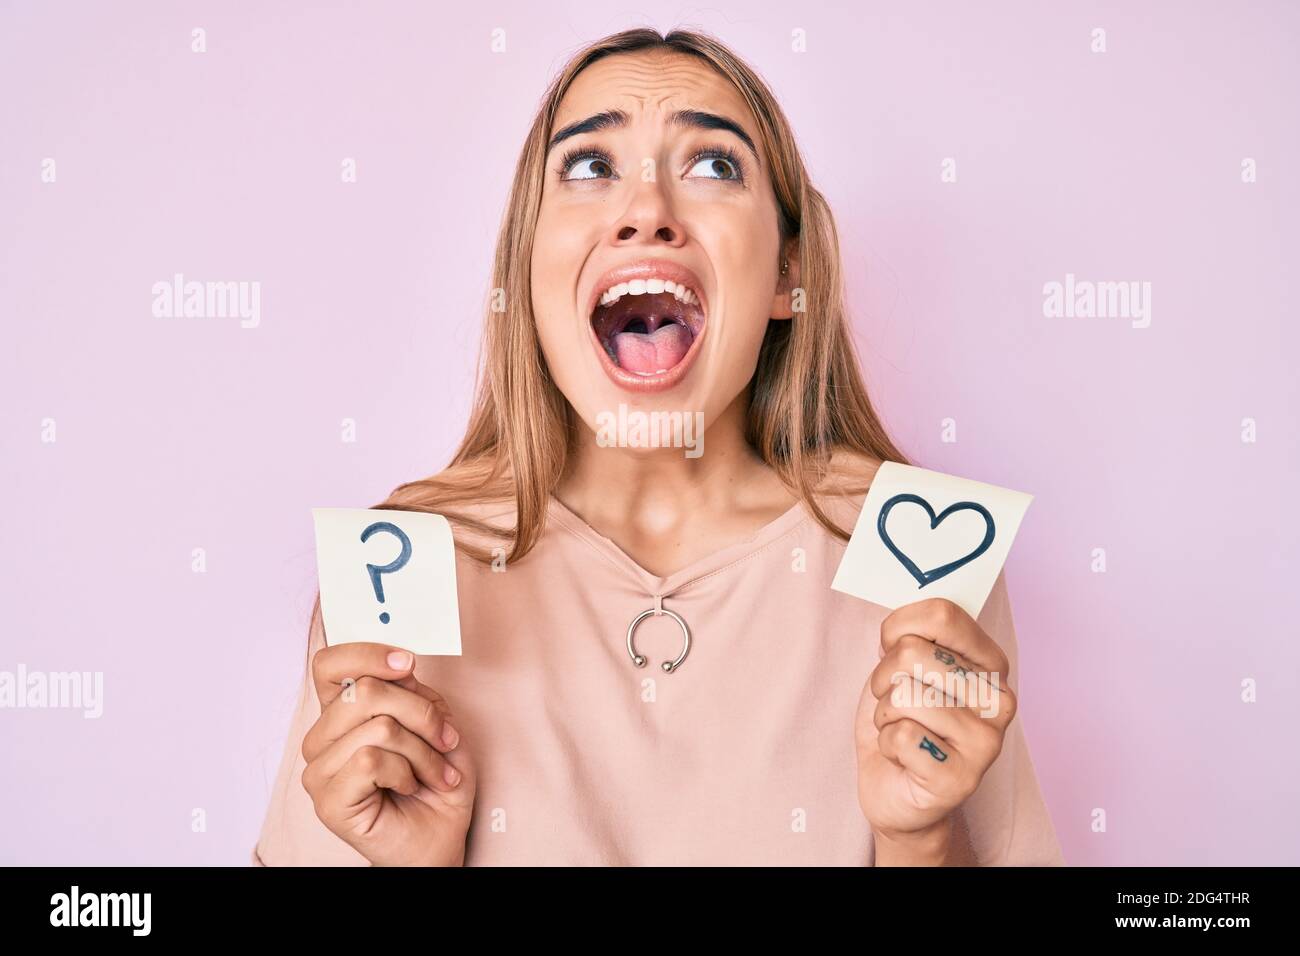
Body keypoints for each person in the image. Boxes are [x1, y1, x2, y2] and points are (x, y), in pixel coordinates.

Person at [253, 27, 1064, 866]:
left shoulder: (924, 552)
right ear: (530, 263)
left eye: (713, 166)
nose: (646, 211)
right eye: (590, 166)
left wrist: (918, 837)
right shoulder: (403, 561)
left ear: (790, 273)